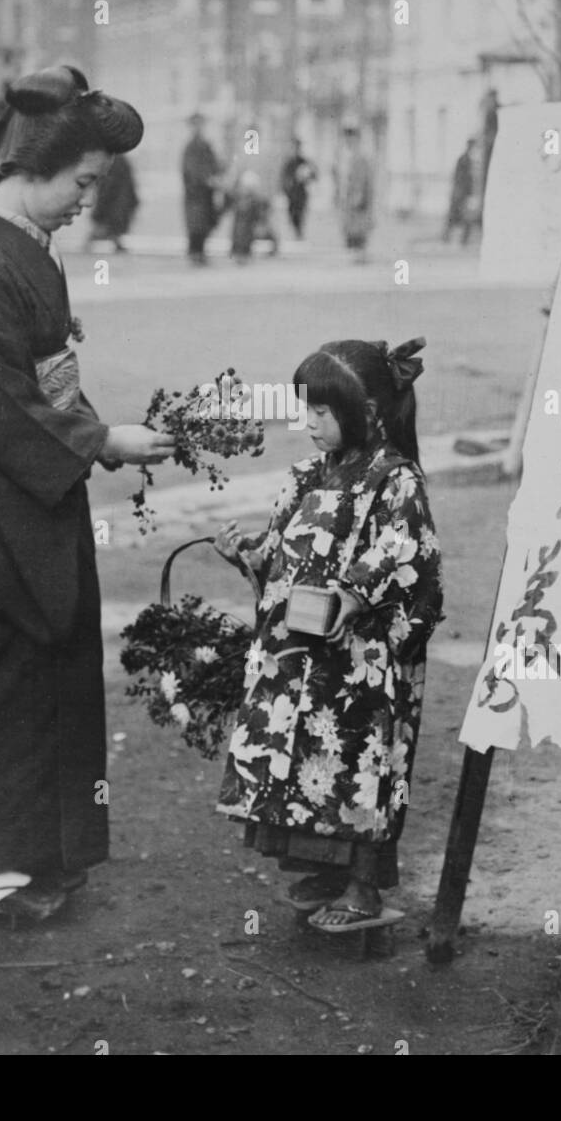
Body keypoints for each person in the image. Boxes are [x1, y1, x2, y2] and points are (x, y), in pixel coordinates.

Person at [0, 64, 175, 924]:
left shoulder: (24, 260)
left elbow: (48, 387)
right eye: (84, 182)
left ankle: (38, 854)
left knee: (50, 669)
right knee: (2, 677)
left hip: (32, 499)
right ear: (35, 170)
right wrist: (97, 442)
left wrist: (100, 435)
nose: (87, 200)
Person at [214, 338, 443, 928]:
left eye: (323, 411)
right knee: (304, 759)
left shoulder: (396, 482)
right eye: (306, 408)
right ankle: (327, 870)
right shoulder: (303, 478)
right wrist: (246, 554)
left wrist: (352, 595)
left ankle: (363, 889)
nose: (309, 423)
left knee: (361, 761)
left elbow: (408, 557)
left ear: (367, 410)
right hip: (299, 655)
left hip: (359, 662)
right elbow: (278, 558)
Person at [181, 112, 221, 266]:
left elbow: (213, 165)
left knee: (204, 223)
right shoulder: (191, 147)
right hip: (195, 193)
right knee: (196, 224)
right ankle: (195, 253)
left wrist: (214, 177)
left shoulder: (205, 145)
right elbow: (191, 170)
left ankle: (199, 252)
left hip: (205, 194)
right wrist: (206, 179)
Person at [335, 124, 374, 262]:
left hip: (357, 200)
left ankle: (360, 255)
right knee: (350, 228)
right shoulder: (346, 156)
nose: (348, 142)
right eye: (346, 139)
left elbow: (364, 180)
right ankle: (356, 255)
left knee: (358, 228)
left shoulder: (360, 157)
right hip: (349, 200)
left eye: (350, 138)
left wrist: (359, 197)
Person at [87, 151, 138, 252]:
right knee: (107, 228)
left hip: (116, 203)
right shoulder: (118, 160)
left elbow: (108, 186)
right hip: (118, 203)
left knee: (105, 228)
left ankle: (90, 244)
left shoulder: (113, 160)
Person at [228, 169, 276, 262]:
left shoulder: (254, 204)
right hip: (242, 244)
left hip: (244, 243)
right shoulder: (246, 204)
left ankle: (240, 252)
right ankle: (239, 252)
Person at [442, 138, 480, 245]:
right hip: (460, 194)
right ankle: (453, 238)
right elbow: (460, 178)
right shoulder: (464, 160)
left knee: (461, 218)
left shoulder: (467, 159)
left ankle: (462, 239)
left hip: (461, 194)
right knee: (458, 217)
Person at [280, 138, 317, 241]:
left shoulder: (304, 161)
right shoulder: (288, 163)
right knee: (292, 215)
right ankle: (295, 234)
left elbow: (313, 175)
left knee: (300, 215)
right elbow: (283, 178)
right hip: (291, 195)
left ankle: (299, 234)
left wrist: (306, 176)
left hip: (301, 195)